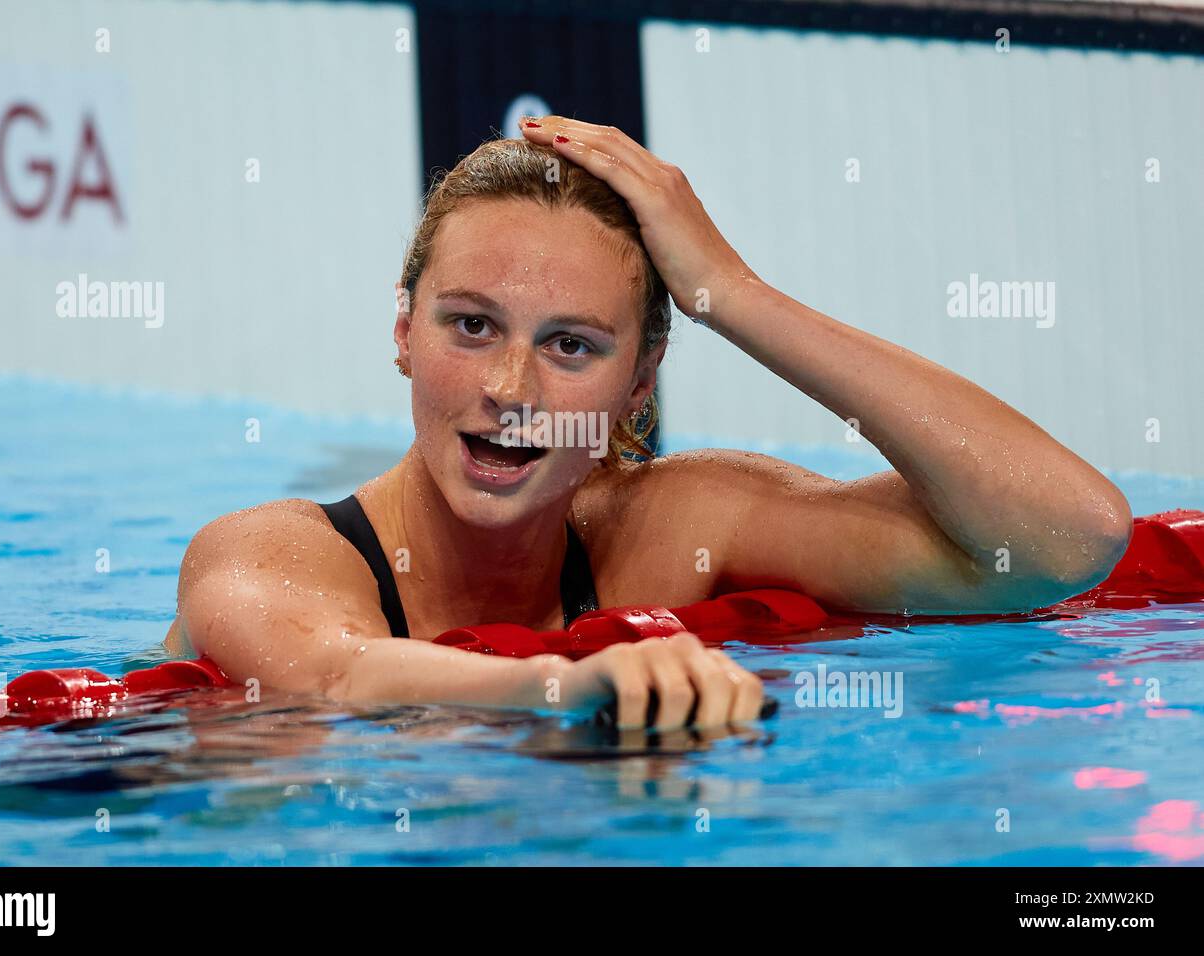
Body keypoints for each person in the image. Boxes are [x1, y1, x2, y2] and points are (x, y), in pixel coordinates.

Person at [163, 116, 1132, 730]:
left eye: (571, 345)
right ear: (402, 332)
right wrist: (573, 682)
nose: (510, 385)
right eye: (470, 325)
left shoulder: (677, 529)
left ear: (641, 384)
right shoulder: (274, 554)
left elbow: (1061, 538)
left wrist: (733, 292)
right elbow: (337, 675)